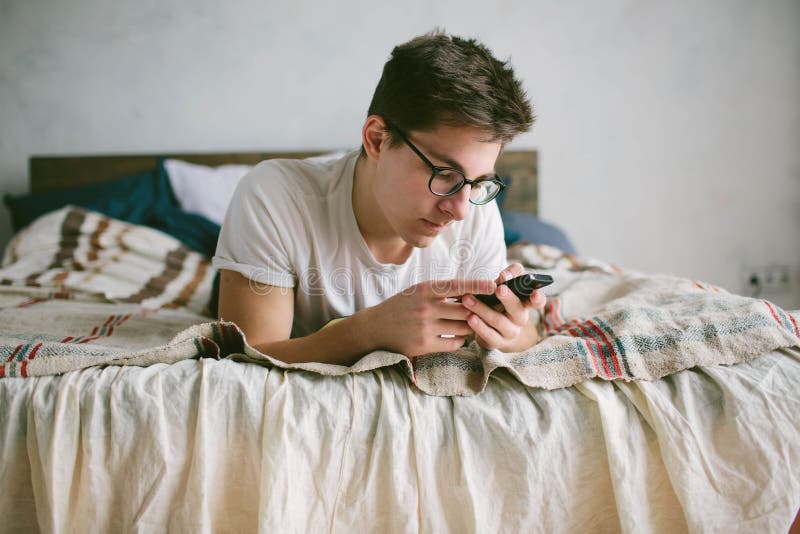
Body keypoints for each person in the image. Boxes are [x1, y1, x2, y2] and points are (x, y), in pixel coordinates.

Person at [212, 30, 546, 366]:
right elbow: (244, 356)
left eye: (478, 183)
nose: (460, 211)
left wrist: (512, 330)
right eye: (444, 174)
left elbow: (525, 335)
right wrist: (369, 331)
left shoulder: (475, 208)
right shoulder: (275, 196)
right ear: (377, 140)